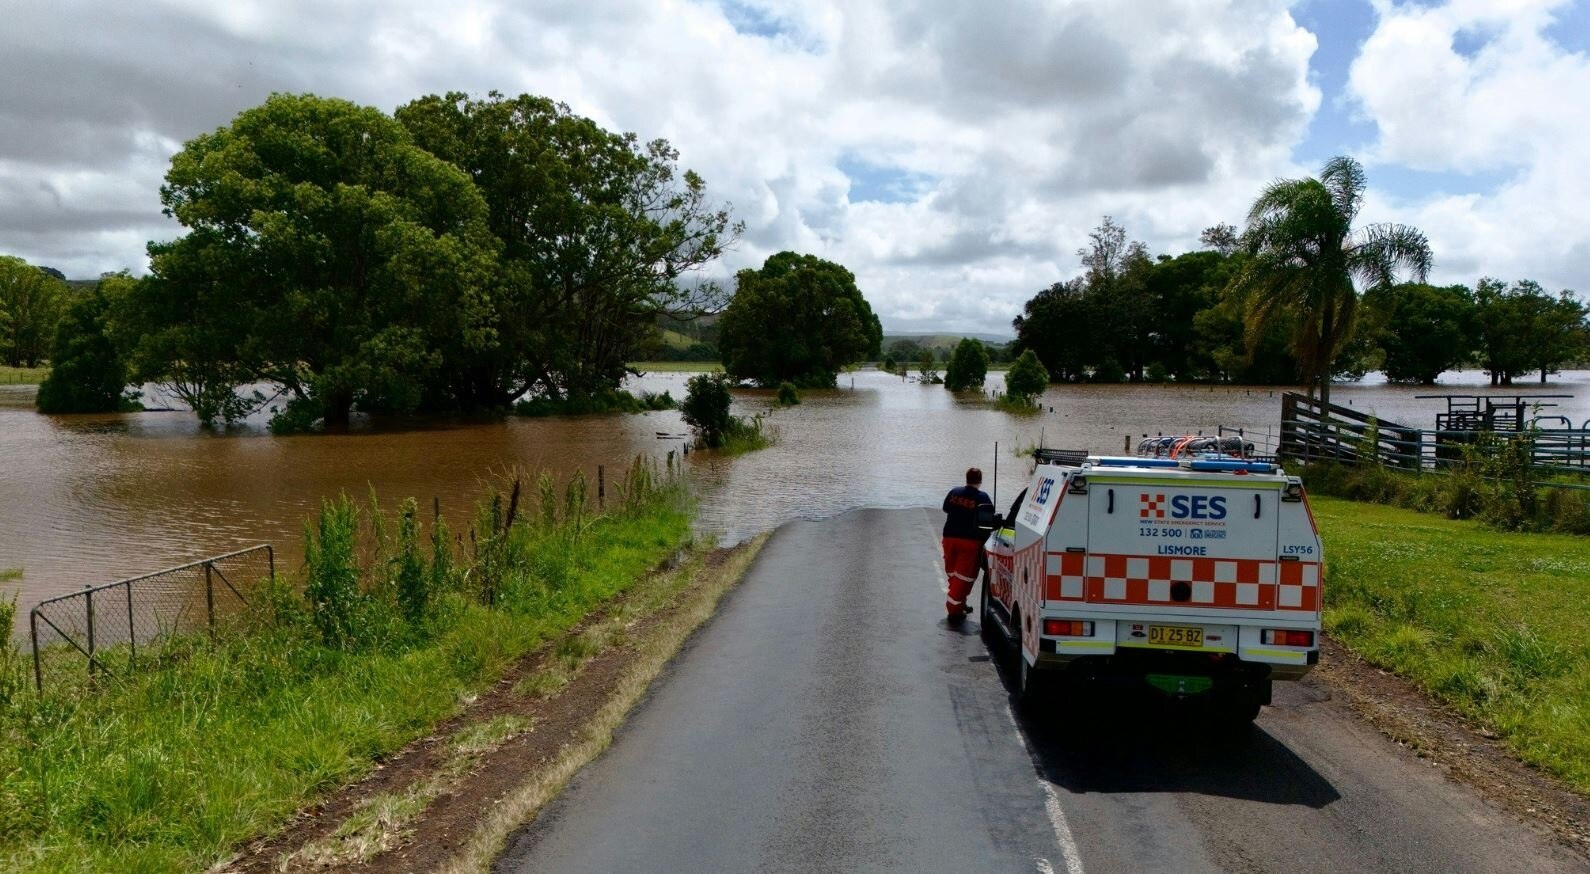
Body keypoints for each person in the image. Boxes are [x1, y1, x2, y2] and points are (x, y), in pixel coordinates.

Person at [942, 467, 994, 622]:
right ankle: (954, 610)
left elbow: (945, 508)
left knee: (953, 573)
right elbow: (989, 519)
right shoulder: (983, 497)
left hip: (949, 538)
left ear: (966, 478)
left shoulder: (954, 492)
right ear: (980, 480)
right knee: (964, 576)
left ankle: (960, 602)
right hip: (970, 542)